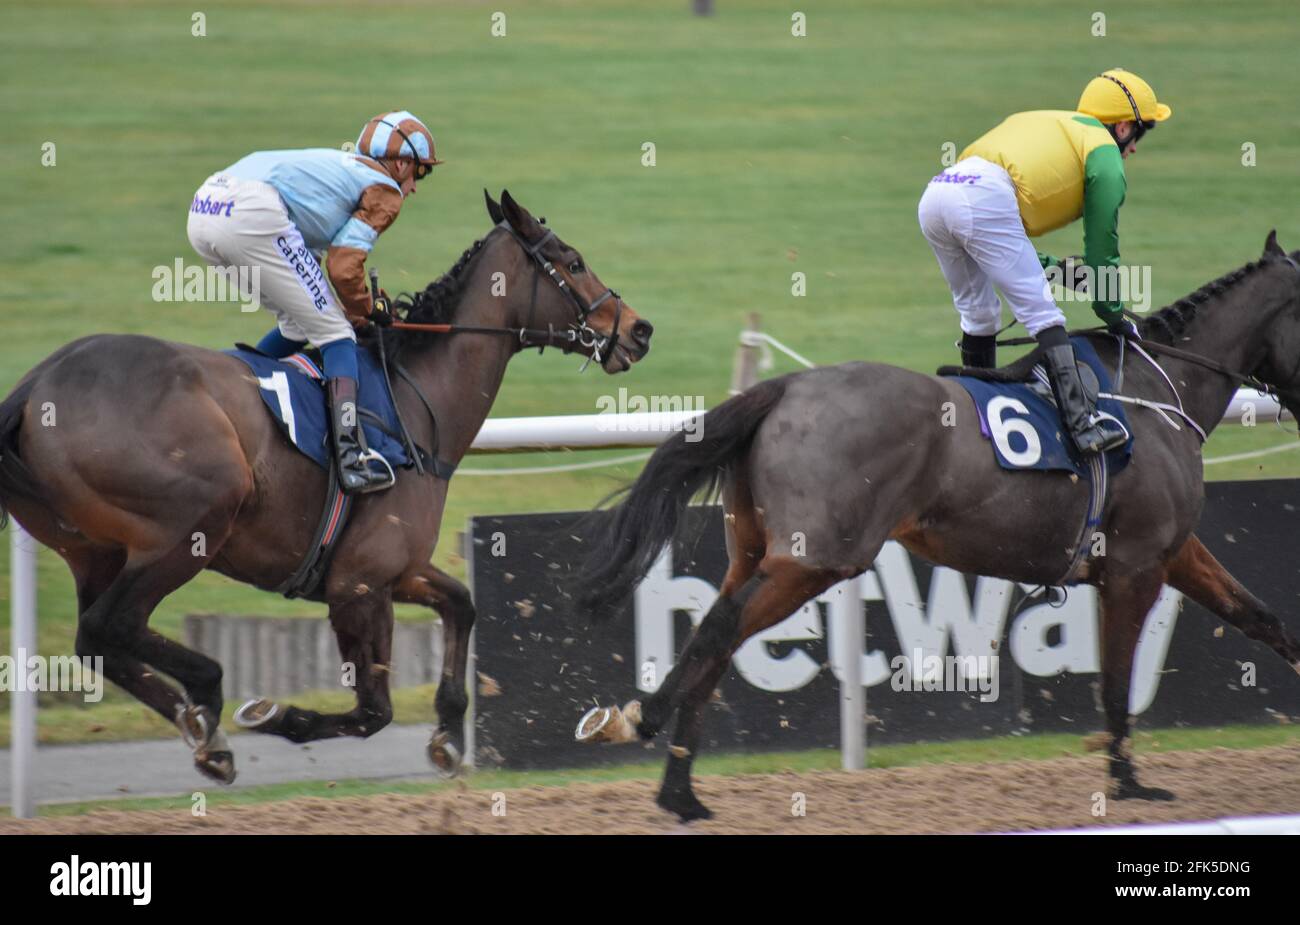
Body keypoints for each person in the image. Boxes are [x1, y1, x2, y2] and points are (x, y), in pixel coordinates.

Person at [918, 70, 1171, 455]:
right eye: (1141, 132)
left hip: (937, 194)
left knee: (979, 314)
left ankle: (978, 412)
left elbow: (1000, 247)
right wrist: (1115, 316)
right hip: (981, 201)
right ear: (1122, 127)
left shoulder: (1047, 122)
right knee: (1044, 316)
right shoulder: (1104, 155)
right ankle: (1082, 427)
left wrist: (1062, 271)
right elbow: (1103, 249)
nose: (1134, 148)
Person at [187, 111, 443, 492]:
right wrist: (366, 309)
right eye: (421, 173)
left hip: (204, 209)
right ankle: (351, 458)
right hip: (251, 214)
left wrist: (359, 303)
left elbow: (321, 266)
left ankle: (237, 395)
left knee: (297, 324)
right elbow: (343, 266)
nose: (416, 186)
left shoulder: (341, 168)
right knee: (337, 334)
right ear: (402, 164)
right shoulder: (385, 190)